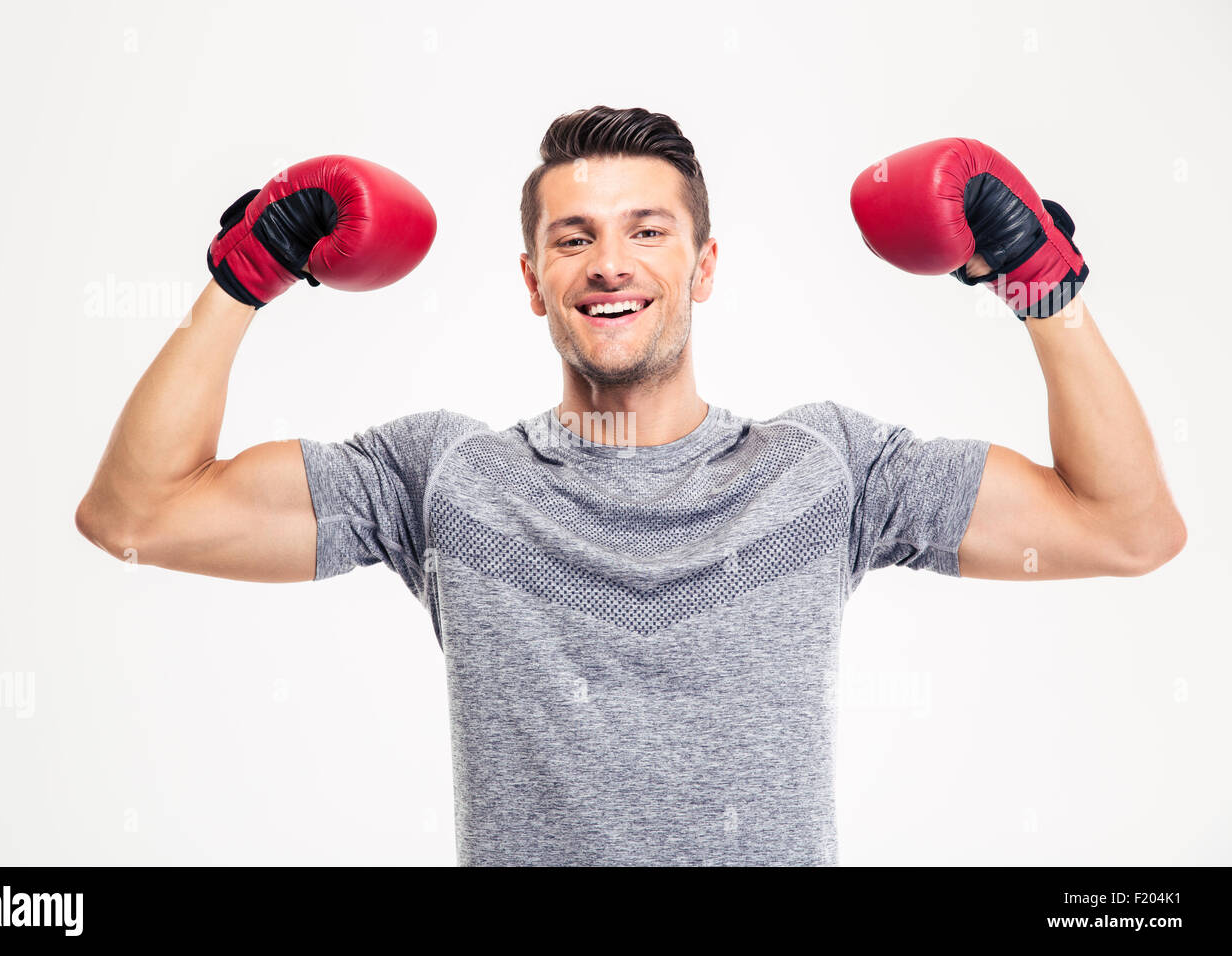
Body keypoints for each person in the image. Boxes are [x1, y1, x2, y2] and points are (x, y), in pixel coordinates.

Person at [75, 106, 1187, 866]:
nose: (611, 263)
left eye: (647, 232)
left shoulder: (823, 470)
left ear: (702, 267)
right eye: (574, 238)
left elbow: (1127, 528)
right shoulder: (447, 478)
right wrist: (242, 277)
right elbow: (135, 515)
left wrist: (1044, 286)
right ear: (533, 281)